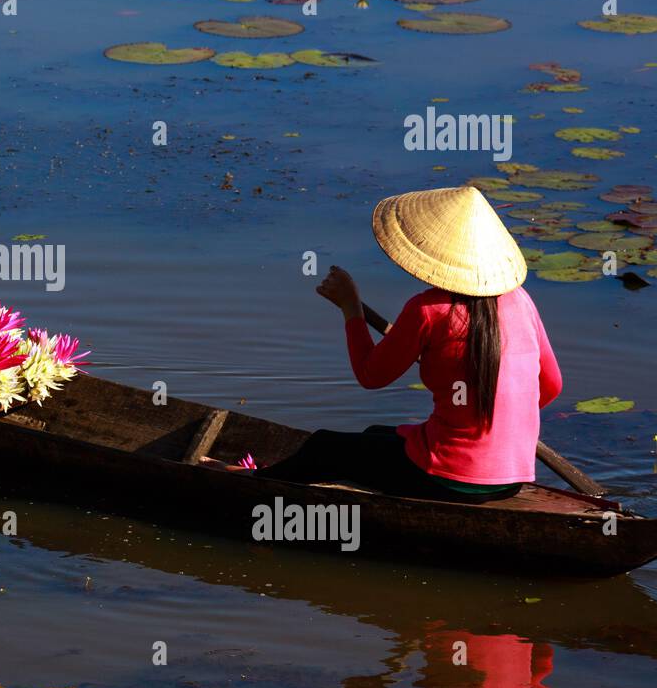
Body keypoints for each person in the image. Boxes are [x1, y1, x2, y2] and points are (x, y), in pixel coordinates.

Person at [207, 185, 563, 502]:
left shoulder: (428, 309)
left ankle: (252, 482)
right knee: (376, 434)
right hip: (514, 478)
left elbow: (370, 375)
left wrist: (351, 308)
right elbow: (550, 387)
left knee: (323, 445)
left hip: (449, 479)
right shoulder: (522, 301)